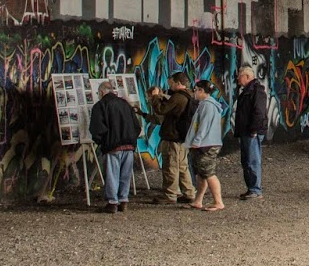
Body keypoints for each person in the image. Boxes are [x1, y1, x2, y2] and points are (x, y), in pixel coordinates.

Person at [89, 80, 141, 214]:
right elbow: (137, 126)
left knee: (112, 174)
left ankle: (112, 202)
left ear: (101, 92)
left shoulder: (100, 106)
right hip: (129, 145)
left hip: (112, 146)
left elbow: (97, 128)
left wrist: (101, 141)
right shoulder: (125, 104)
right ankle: (123, 200)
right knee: (125, 174)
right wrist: (132, 139)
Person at [146, 72, 196, 205]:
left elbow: (161, 110)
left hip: (172, 137)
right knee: (183, 167)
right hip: (182, 137)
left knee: (170, 166)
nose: (170, 86)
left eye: (172, 83)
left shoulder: (178, 97)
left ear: (178, 83)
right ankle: (189, 192)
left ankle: (170, 194)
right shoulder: (189, 95)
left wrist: (156, 96)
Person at [183, 79, 226, 212]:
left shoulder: (207, 105)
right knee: (201, 174)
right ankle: (198, 200)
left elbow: (203, 125)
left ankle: (218, 202)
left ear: (202, 91)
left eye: (196, 90)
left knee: (208, 173)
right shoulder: (208, 104)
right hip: (208, 142)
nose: (194, 92)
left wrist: (196, 141)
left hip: (205, 144)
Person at [233, 65, 268, 200]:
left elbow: (259, 112)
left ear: (247, 76)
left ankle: (255, 189)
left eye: (239, 76)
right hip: (246, 131)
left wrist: (254, 129)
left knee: (252, 160)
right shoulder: (249, 91)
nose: (237, 78)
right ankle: (251, 188)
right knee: (247, 160)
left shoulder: (256, 91)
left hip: (251, 132)